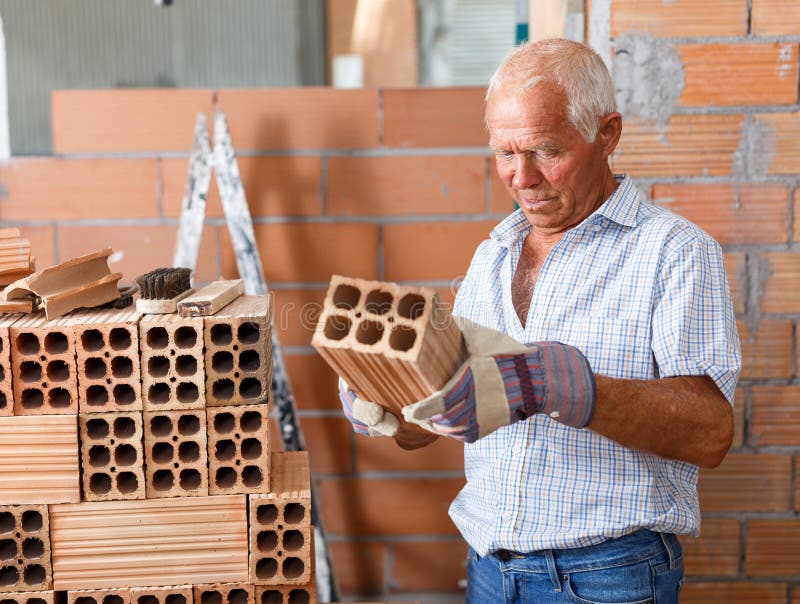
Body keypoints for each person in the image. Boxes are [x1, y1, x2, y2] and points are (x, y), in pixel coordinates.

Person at [339, 38, 741, 603]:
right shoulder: (493, 255)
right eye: (505, 153)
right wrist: (385, 403)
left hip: (606, 577)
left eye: (545, 151)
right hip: (489, 569)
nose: (521, 177)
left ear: (608, 135)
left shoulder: (673, 251)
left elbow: (712, 433)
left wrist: (565, 385)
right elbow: (442, 419)